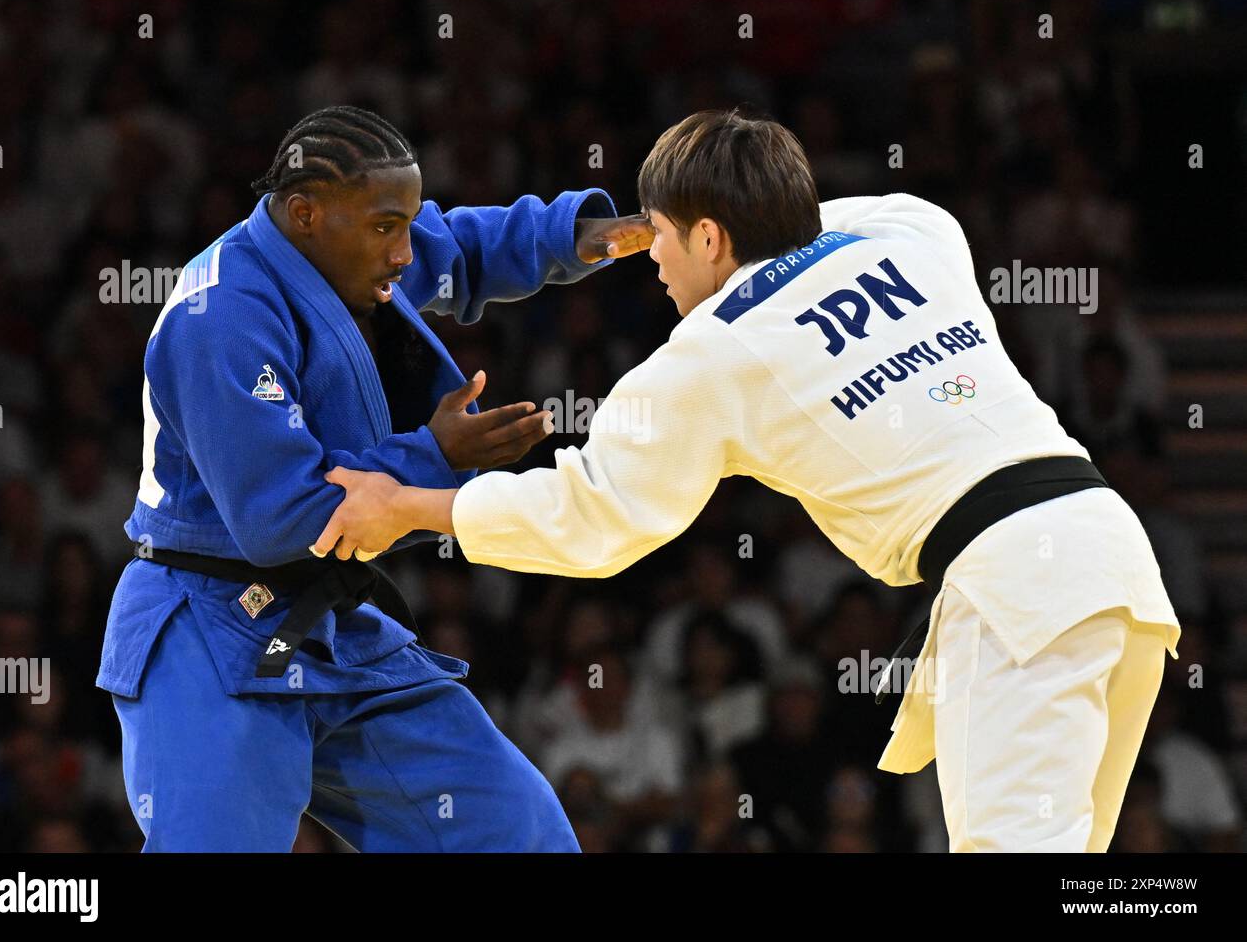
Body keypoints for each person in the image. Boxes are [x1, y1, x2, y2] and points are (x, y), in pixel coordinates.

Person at [315, 108, 1182, 852]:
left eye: (659, 234)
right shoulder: (913, 231)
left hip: (1018, 590)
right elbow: (812, 220)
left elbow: (591, 516)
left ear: (708, 236)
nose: (649, 260)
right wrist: (710, 212)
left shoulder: (711, 356)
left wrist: (407, 506)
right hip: (1111, 553)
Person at [96, 105, 652, 851]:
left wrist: (570, 236)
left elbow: (456, 247)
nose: (403, 250)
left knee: (516, 831)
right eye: (387, 227)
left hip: (325, 624)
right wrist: (436, 454)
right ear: (304, 213)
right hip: (208, 628)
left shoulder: (340, 251)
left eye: (406, 223)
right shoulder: (221, 314)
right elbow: (283, 519)